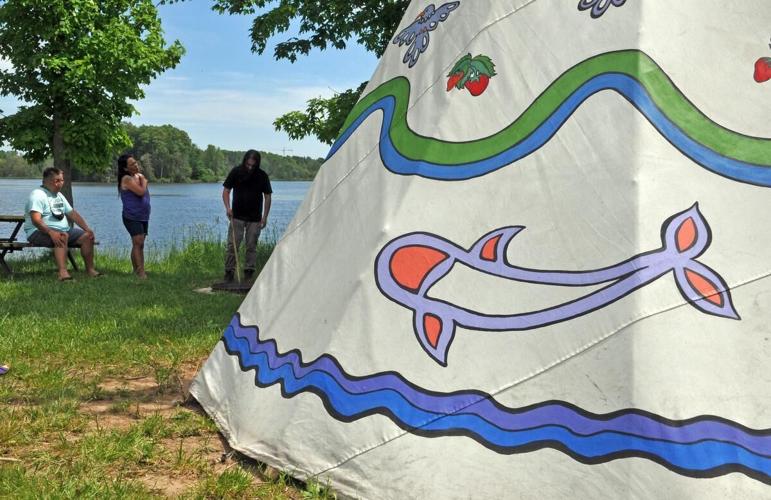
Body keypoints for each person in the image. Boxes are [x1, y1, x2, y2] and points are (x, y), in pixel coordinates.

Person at [23, 167, 101, 281]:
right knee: (62, 236)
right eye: (58, 180)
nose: (61, 183)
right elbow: (36, 220)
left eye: (62, 180)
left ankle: (90, 270)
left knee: (87, 236)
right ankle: (63, 273)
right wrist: (51, 232)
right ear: (48, 181)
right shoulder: (37, 195)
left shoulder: (59, 195)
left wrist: (87, 229)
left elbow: (72, 214)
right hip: (37, 232)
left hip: (64, 231)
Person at [222, 149, 272, 282]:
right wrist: (228, 208)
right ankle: (229, 273)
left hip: (255, 218)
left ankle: (249, 273)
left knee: (251, 246)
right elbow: (226, 191)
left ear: (257, 164)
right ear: (244, 161)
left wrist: (265, 217)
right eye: (248, 164)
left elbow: (267, 197)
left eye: (253, 165)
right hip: (236, 216)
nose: (250, 167)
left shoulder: (262, 176)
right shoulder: (236, 172)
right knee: (232, 245)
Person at [117, 154, 150, 279]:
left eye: (135, 162)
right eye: (132, 164)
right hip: (132, 216)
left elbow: (146, 196)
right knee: (138, 242)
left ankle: (137, 270)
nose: (136, 165)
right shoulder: (126, 179)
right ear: (125, 168)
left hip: (143, 216)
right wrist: (145, 182)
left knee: (139, 244)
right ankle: (141, 273)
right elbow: (141, 192)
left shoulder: (138, 176)